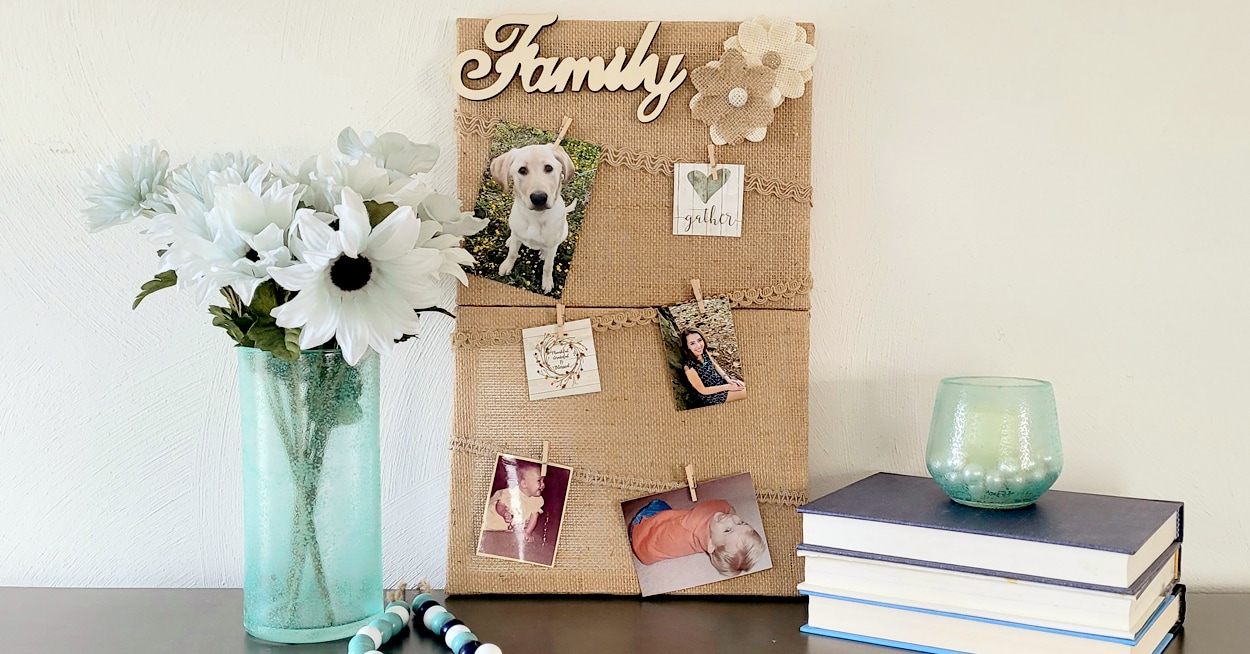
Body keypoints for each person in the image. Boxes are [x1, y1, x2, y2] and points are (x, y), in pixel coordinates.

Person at [629, 498, 766, 576]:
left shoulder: (699, 518)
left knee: (658, 503)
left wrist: (728, 507)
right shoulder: (710, 542)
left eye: (728, 530)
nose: (732, 518)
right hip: (646, 554)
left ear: (711, 545)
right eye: (741, 522)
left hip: (640, 526)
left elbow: (719, 504)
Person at [482, 458, 546, 543]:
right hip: (494, 517)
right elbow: (499, 505)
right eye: (539, 480)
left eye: (543, 480)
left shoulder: (536, 500)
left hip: (505, 526)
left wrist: (527, 532)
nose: (543, 484)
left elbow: (534, 516)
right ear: (524, 484)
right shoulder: (511, 493)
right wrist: (504, 512)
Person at [680, 329, 746, 407]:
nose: (698, 346)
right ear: (687, 346)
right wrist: (728, 387)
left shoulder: (704, 352)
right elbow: (703, 390)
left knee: (745, 386)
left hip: (722, 382)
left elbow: (715, 365)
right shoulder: (688, 367)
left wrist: (728, 379)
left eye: (699, 340)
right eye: (692, 343)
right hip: (712, 394)